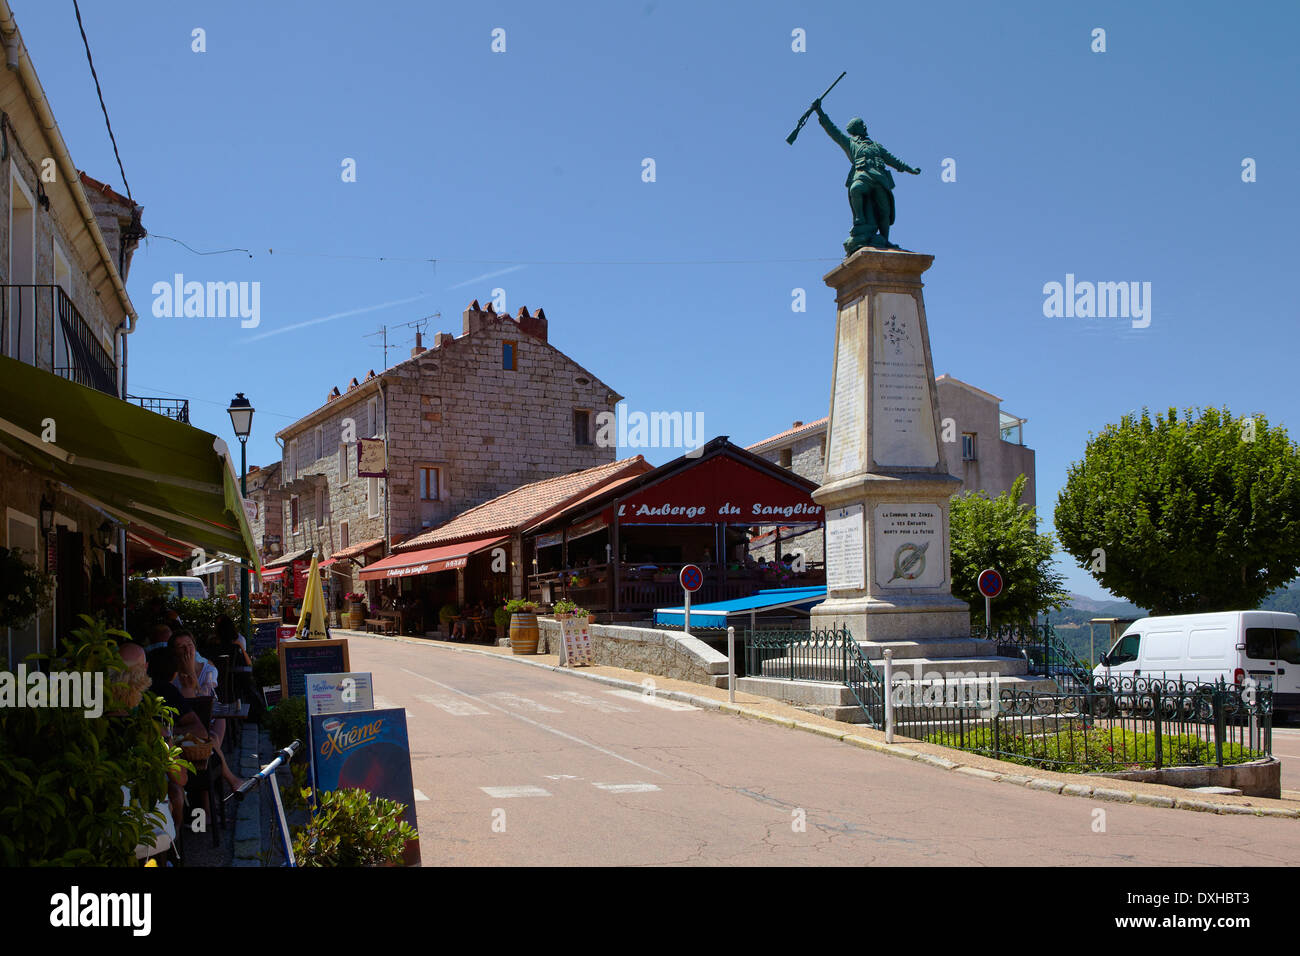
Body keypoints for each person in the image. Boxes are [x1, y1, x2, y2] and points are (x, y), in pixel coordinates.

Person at [814, 100, 920, 251]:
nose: (865, 126)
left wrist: (910, 169)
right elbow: (833, 131)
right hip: (862, 174)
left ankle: (885, 240)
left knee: (884, 210)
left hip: (880, 178)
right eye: (861, 124)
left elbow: (892, 160)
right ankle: (859, 218)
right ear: (855, 129)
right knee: (856, 189)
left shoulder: (876, 146)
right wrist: (820, 113)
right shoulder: (850, 143)